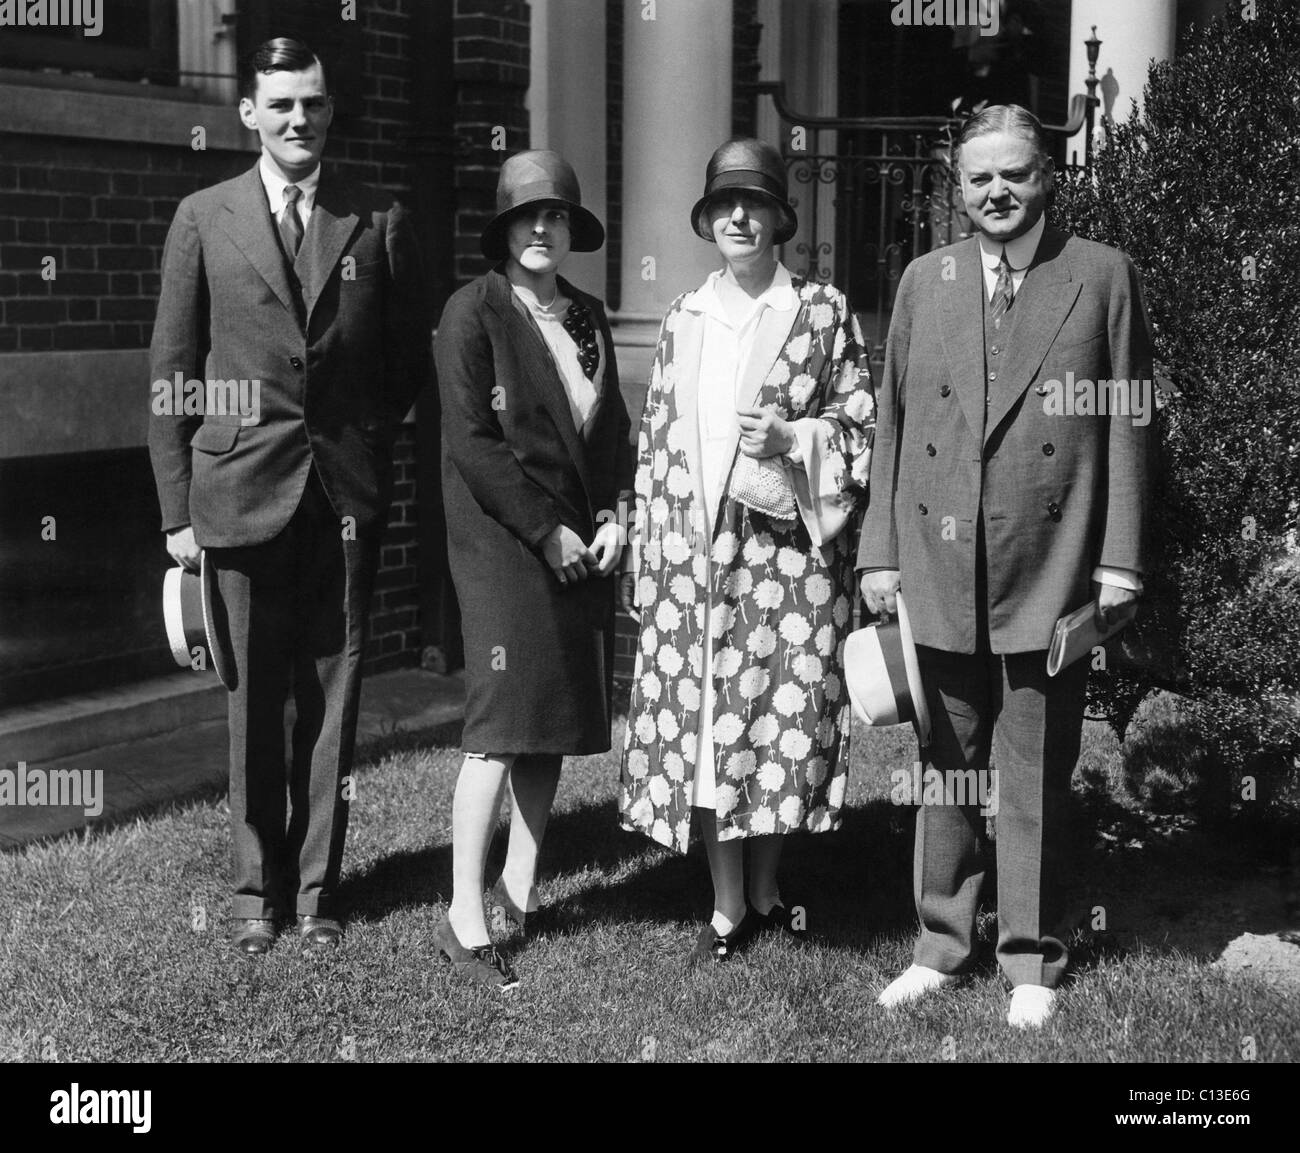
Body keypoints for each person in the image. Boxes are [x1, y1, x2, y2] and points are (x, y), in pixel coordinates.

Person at [859, 105, 1155, 1027]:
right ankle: (942, 943)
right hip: (941, 561)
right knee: (945, 764)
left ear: (1046, 177)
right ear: (958, 187)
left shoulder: (1100, 276)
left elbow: (1130, 422)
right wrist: (879, 553)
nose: (997, 191)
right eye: (979, 177)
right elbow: (893, 424)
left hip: (1051, 564)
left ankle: (1030, 958)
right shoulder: (924, 280)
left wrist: (1121, 564)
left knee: (1031, 768)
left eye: (1015, 173)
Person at [148, 38, 430, 955]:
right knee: (252, 702)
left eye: (312, 104)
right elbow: (174, 375)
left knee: (332, 698)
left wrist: (361, 446)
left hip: (342, 497)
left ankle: (315, 894)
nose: (298, 121)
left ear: (330, 111)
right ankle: (251, 892)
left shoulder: (373, 219)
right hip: (235, 492)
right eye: (281, 107)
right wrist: (179, 512)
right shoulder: (203, 216)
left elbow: (402, 368)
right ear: (249, 115)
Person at [619, 138, 876, 961]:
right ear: (707, 221)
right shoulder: (685, 316)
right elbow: (655, 443)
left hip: (785, 562)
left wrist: (794, 436)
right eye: (724, 205)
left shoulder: (821, 311)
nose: (739, 216)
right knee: (707, 725)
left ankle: (768, 883)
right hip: (695, 559)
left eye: (754, 203)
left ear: (778, 219)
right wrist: (650, 554)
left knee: (777, 718)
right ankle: (729, 901)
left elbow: (862, 424)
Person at [433, 151, 633, 990]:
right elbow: (473, 443)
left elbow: (612, 429)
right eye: (528, 216)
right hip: (503, 544)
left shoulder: (586, 312)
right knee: (502, 719)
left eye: (556, 217)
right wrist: (547, 530)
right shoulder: (471, 311)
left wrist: (619, 511)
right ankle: (463, 913)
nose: (543, 229)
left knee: (552, 715)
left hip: (581, 541)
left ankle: (519, 882)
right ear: (505, 228)